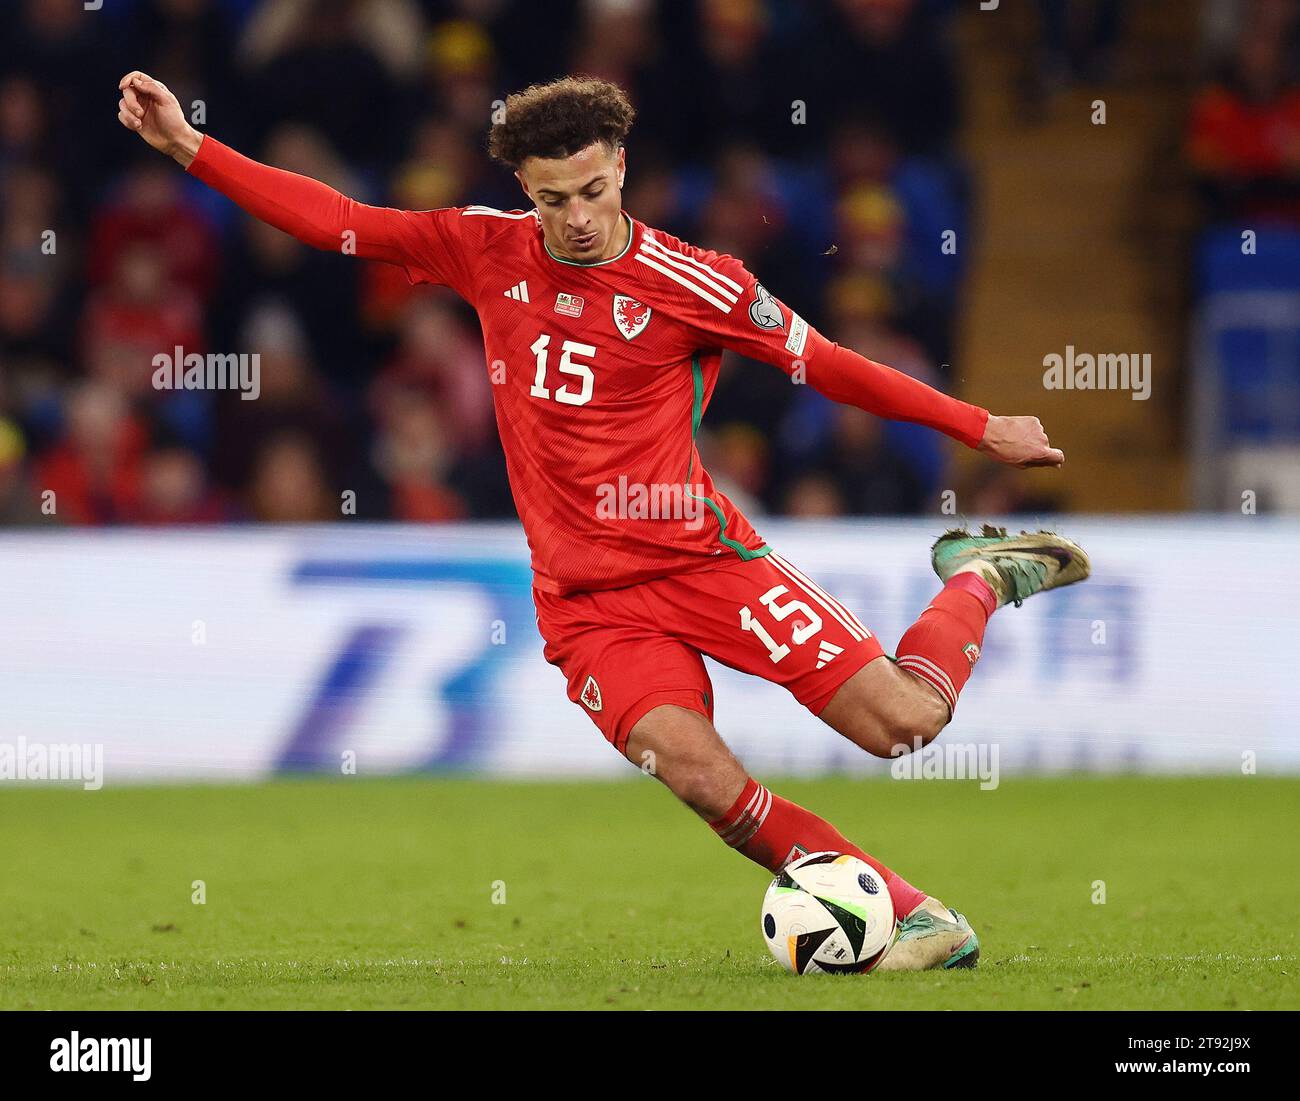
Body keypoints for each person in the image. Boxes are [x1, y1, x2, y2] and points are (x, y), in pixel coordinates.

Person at [116, 72, 1090, 971]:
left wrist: (979, 425)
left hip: (705, 562)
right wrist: (188, 148)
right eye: (551, 199)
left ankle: (977, 576)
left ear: (620, 165)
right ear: (523, 191)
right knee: (706, 782)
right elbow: (338, 221)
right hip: (589, 605)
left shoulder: (696, 282)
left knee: (904, 726)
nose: (575, 218)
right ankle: (910, 912)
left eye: (590, 190)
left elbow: (826, 363)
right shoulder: (482, 247)